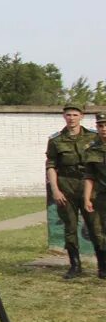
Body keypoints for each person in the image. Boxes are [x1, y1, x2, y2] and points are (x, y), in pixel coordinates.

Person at [47, 104, 97, 278]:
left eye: (75, 115)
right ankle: (75, 265)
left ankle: (102, 266)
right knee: (70, 227)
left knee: (95, 225)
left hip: (88, 185)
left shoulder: (93, 137)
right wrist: (55, 189)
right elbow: (51, 166)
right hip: (66, 186)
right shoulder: (56, 140)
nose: (71, 118)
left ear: (81, 116)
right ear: (64, 117)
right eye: (68, 115)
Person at [81, 112, 106, 279]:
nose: (104, 129)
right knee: (99, 232)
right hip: (101, 197)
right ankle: (103, 268)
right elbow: (89, 176)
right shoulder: (92, 149)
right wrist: (87, 198)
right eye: (101, 125)